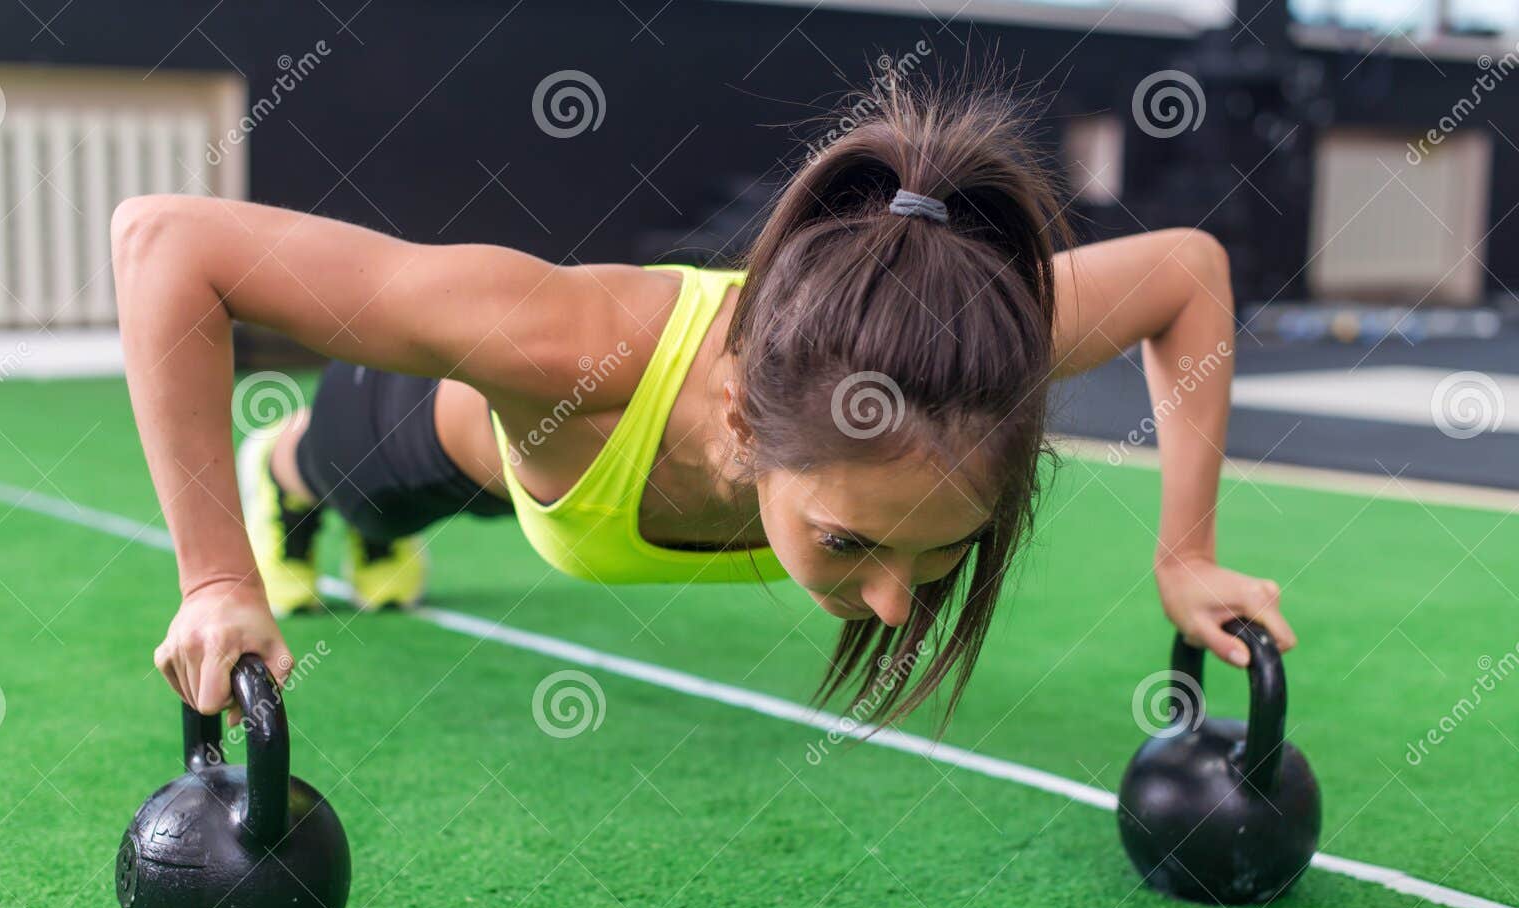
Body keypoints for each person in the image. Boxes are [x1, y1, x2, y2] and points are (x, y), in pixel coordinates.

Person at [113, 72, 1294, 732]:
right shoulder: (556, 342)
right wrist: (218, 582)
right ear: (737, 420)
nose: (893, 604)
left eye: (944, 552)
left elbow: (1186, 272)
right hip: (441, 432)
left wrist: (1184, 554)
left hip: (578, 465)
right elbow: (167, 243)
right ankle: (297, 488)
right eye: (853, 543)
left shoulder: (972, 366)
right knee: (343, 484)